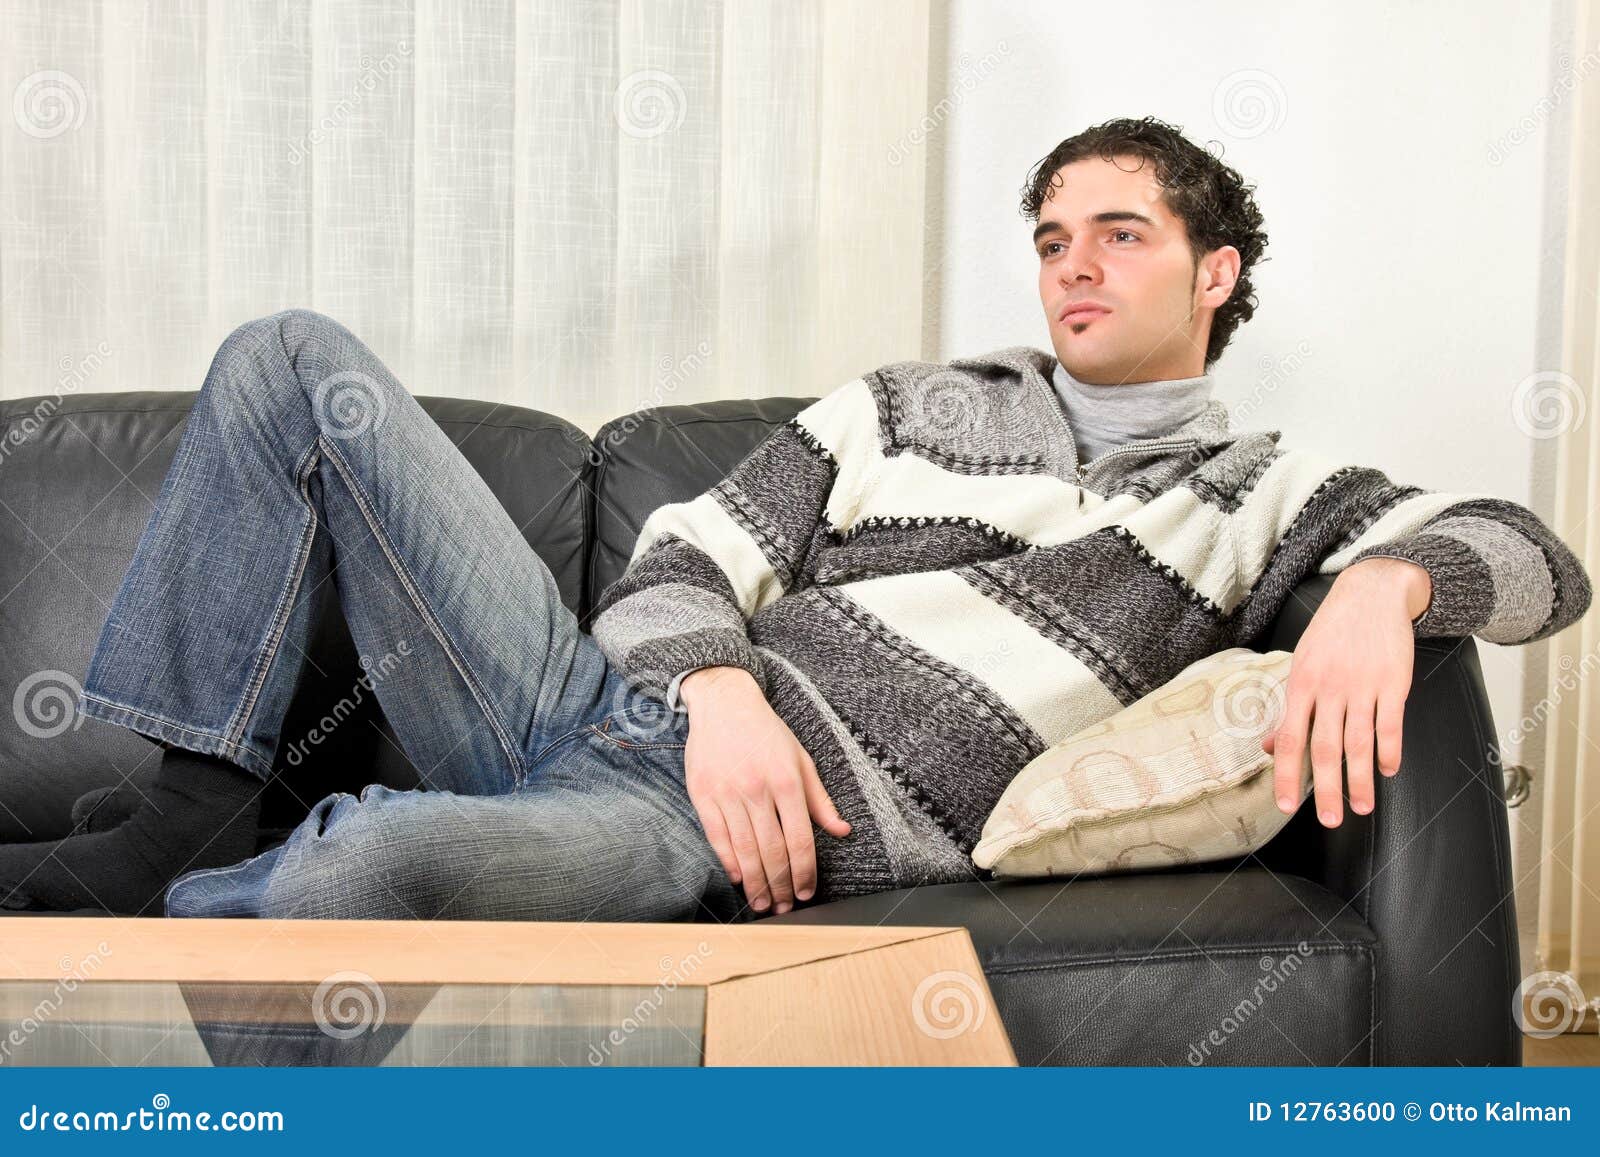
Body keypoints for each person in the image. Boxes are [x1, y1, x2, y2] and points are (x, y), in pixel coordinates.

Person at [0, 115, 1589, 921]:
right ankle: (197, 799)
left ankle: (202, 928)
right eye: (1053, 240)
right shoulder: (906, 403)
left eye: (1120, 232)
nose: (1076, 266)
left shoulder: (1257, 496)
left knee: (362, 875)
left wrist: (1384, 588)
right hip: (600, 704)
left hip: (718, 827)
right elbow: (685, 556)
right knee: (294, 361)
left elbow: (1538, 557)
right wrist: (722, 689)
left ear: (1216, 271)